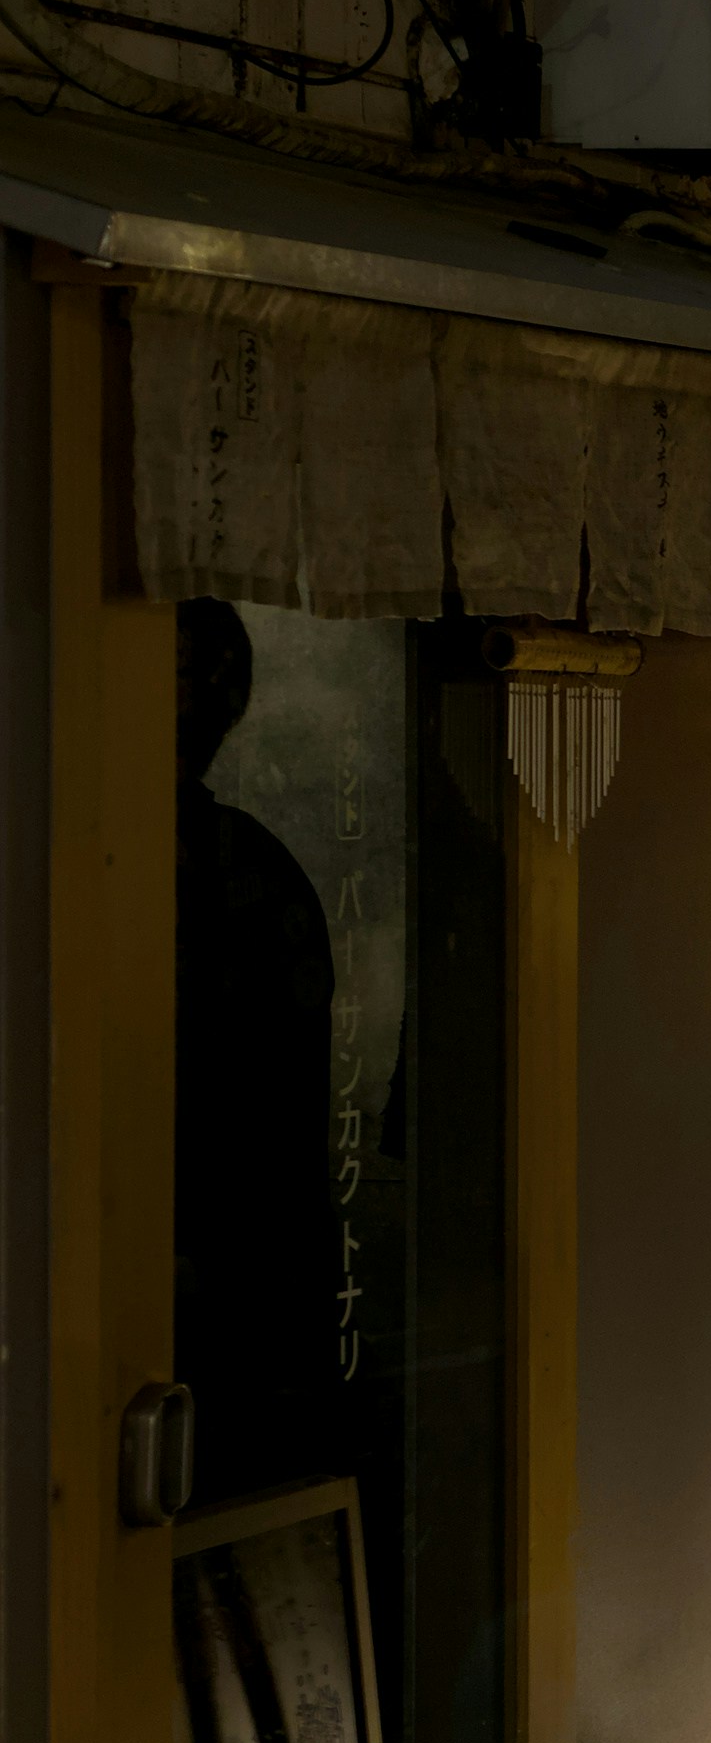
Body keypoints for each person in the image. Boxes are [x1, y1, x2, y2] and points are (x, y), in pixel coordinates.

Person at [173, 598, 340, 1507]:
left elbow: (285, 1136)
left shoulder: (253, 878)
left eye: (188, 675)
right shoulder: (263, 874)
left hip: (229, 1306)